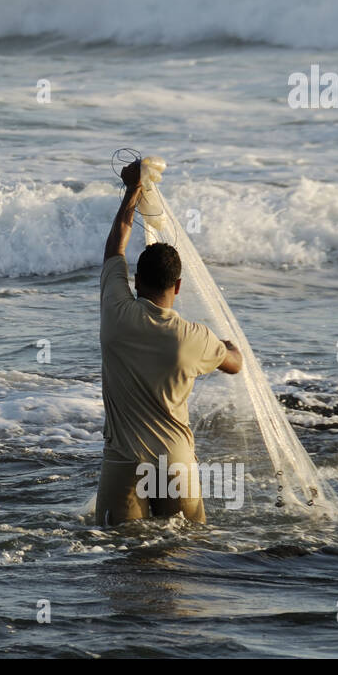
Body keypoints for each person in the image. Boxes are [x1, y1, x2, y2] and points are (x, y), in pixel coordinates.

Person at [94, 159, 241, 526]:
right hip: (176, 464)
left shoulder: (116, 312)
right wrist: (225, 344)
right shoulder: (195, 338)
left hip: (126, 462)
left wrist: (131, 190)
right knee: (184, 553)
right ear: (178, 287)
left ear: (135, 281)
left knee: (118, 555)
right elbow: (235, 364)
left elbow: (115, 249)